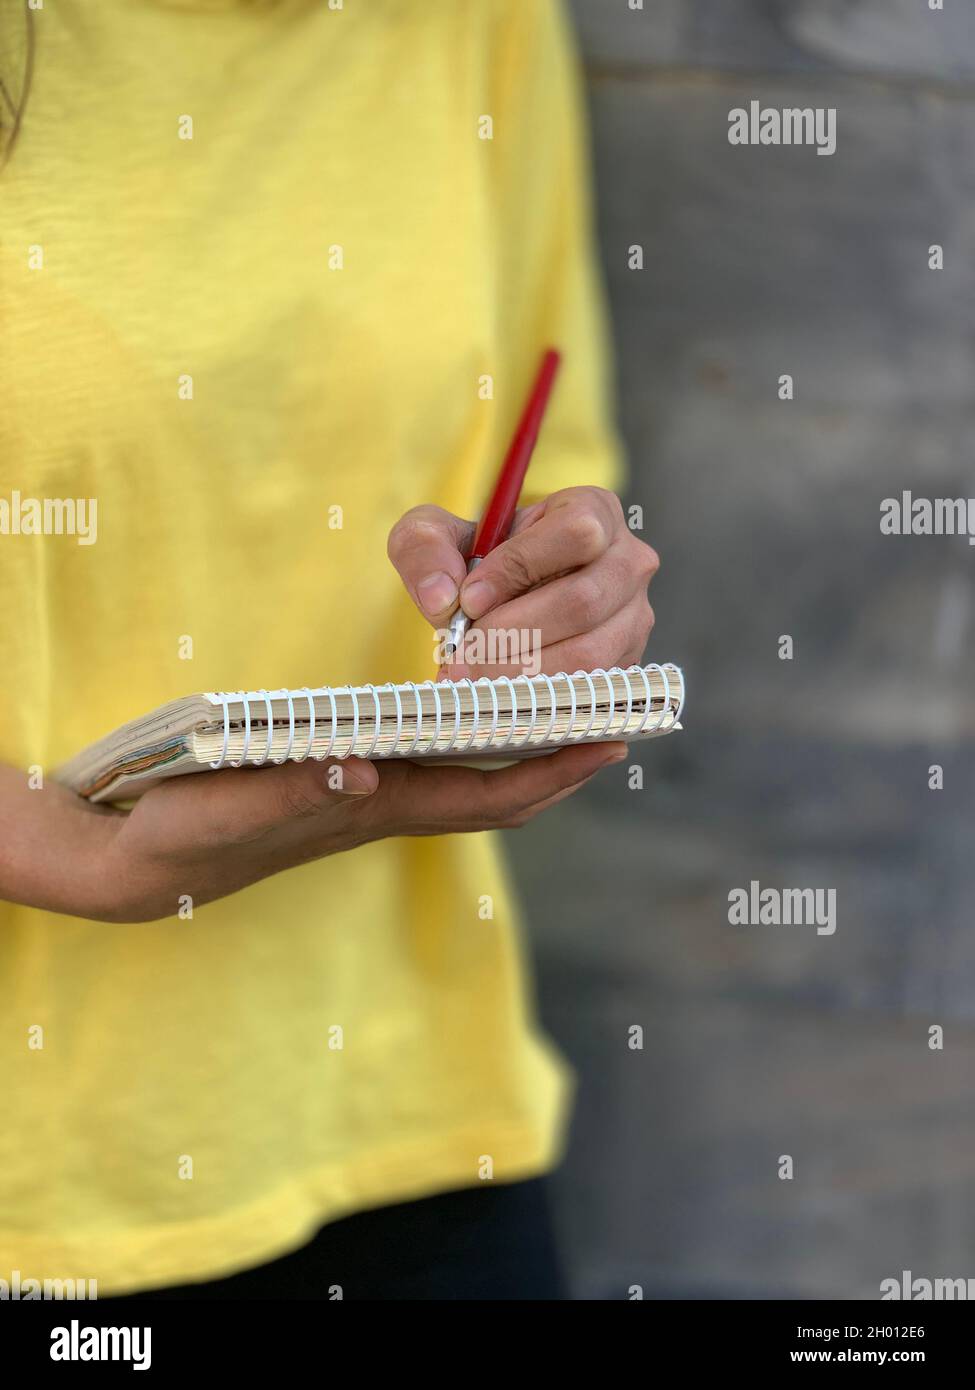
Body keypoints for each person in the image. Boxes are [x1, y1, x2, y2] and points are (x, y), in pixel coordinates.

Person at [0, 0, 658, 1299]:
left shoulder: (479, 22)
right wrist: (61, 848)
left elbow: (553, 452)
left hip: (403, 1119)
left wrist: (562, 600)